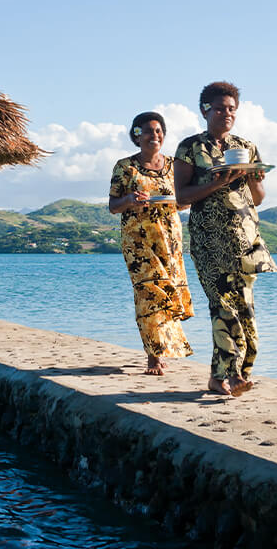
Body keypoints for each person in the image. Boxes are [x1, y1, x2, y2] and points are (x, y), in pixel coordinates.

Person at [173, 81, 277, 396]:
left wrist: (254, 179)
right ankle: (230, 376)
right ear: (205, 110)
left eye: (231, 109)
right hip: (209, 240)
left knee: (245, 311)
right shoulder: (190, 147)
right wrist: (219, 182)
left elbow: (257, 198)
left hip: (245, 240)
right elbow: (181, 198)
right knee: (223, 307)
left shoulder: (246, 147)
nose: (227, 113)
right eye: (220, 109)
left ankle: (229, 376)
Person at [109, 110, 195, 374]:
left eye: (159, 131)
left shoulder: (174, 165)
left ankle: (163, 348)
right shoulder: (125, 167)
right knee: (149, 294)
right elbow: (113, 206)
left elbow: (184, 201)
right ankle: (153, 357)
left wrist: (183, 201)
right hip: (139, 243)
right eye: (147, 131)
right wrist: (129, 200)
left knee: (167, 292)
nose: (154, 135)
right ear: (136, 136)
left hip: (170, 240)